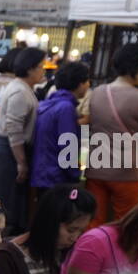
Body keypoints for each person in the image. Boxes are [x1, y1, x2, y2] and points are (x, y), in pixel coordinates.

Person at [85, 42, 138, 225]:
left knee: (93, 221)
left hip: (96, 168)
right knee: (123, 224)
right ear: (132, 65)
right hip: (126, 172)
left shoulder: (97, 92)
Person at [0, 47, 46, 233]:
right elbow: (14, 130)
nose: (44, 70)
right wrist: (21, 162)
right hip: (9, 151)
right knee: (5, 203)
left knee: (8, 202)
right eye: (41, 66)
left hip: (9, 150)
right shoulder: (19, 91)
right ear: (30, 68)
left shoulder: (22, 87)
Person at [32, 61, 90, 191]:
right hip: (56, 177)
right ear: (80, 84)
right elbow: (67, 145)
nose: (88, 85)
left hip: (43, 173)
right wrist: (75, 174)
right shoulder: (66, 108)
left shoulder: (50, 103)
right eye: (87, 82)